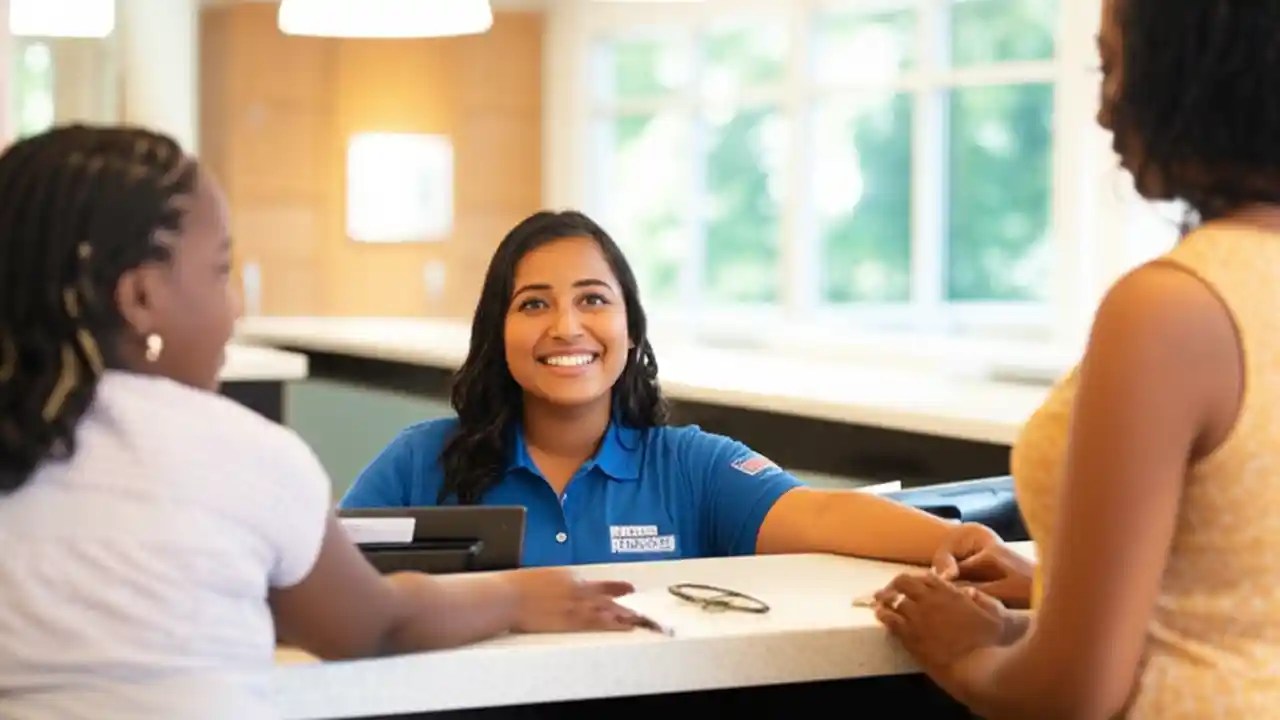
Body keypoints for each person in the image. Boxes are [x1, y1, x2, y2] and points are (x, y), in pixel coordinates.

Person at [0, 125, 640, 720]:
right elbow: (374, 624)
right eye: (221, 271)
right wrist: (516, 597)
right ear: (140, 299)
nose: (236, 307)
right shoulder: (242, 456)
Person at [871, 1, 1280, 717]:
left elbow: (1072, 695)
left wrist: (961, 649)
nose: (1101, 112)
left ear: (1208, 74)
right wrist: (1040, 609)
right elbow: (1242, 598)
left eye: (1113, 67)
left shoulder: (1174, 306)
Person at [339, 209, 1010, 575]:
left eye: (593, 300)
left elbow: (825, 516)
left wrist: (966, 543)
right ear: (499, 332)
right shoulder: (423, 460)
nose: (566, 326)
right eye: (534, 304)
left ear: (629, 329)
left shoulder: (692, 466)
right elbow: (324, 575)